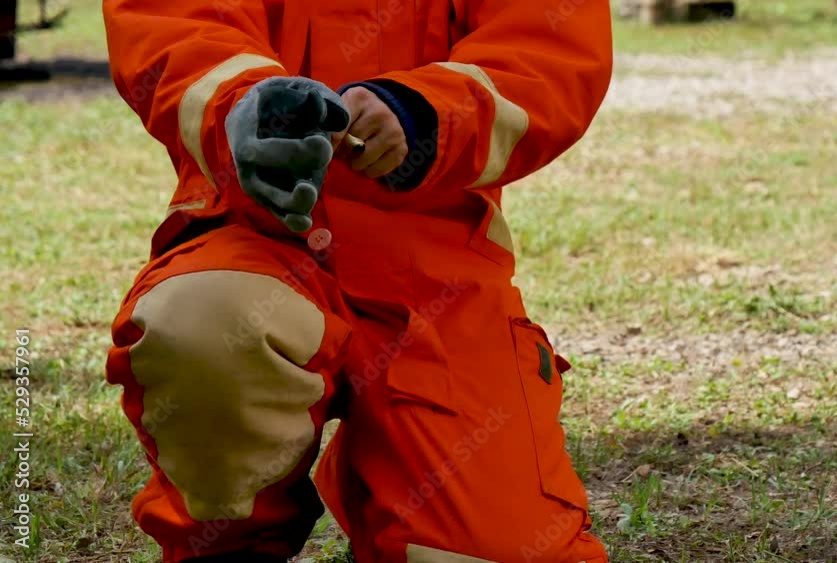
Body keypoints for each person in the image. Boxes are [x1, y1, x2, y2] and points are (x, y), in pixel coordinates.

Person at [102, 0, 612, 561]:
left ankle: (387, 468)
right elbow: (169, 24)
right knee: (200, 321)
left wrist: (423, 111)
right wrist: (247, 104)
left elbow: (550, 49)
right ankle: (229, 546)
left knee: (494, 550)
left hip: (437, 277)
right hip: (253, 236)